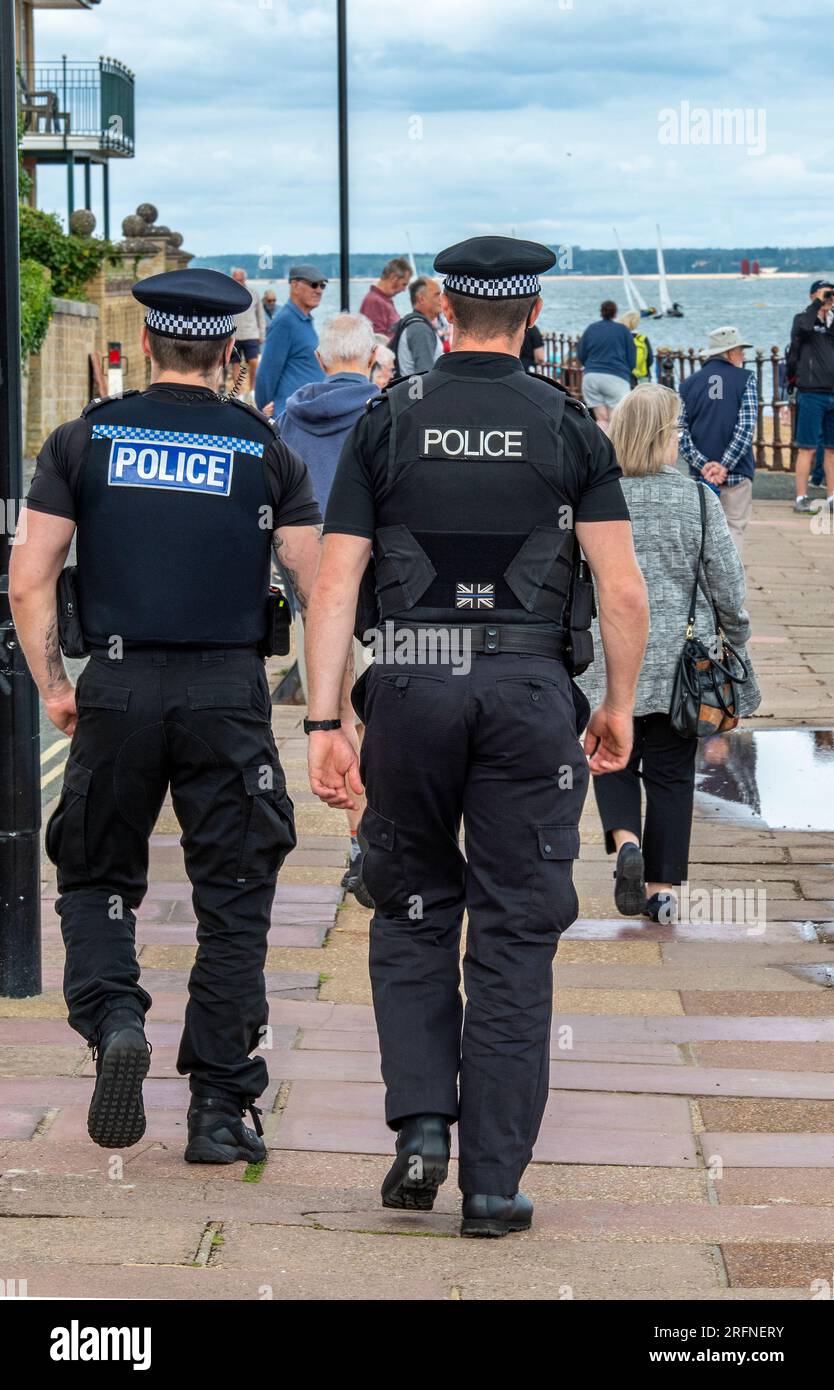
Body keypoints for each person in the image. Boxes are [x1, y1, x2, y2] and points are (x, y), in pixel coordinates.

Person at [303, 235, 649, 1238]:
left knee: (409, 907)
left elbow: (334, 585)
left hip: (409, 685)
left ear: (443, 310)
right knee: (513, 931)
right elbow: (621, 590)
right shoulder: (568, 425)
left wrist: (328, 721)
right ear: (533, 314)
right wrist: (617, 704)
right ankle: (492, 1184)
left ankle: (419, 1128)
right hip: (529, 692)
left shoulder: (388, 419)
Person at [9, 268, 332, 1165]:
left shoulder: (84, 441)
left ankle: (115, 1014)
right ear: (231, 352)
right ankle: (220, 1107)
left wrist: (54, 686)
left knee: (94, 871)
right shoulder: (267, 452)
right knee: (234, 895)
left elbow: (29, 577)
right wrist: (331, 717)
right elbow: (315, 590)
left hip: (116, 687)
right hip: (229, 694)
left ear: (148, 344)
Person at [577, 385, 760, 924]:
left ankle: (626, 840)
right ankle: (660, 890)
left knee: (610, 753)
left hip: (610, 654)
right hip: (683, 663)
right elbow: (726, 582)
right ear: (664, 436)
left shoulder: (594, 495)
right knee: (672, 774)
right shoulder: (697, 498)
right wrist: (738, 635)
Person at [277, 312, 379, 907]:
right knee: (380, 712)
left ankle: (359, 843)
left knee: (336, 716)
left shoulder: (290, 417)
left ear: (320, 360)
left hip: (312, 593)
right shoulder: (388, 411)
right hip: (375, 589)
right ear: (370, 358)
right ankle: (384, 836)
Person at [678, 326, 757, 555]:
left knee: (702, 532)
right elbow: (745, 428)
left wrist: (703, 464)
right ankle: (730, 586)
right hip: (737, 471)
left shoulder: (688, 384)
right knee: (734, 528)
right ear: (730, 353)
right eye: (741, 351)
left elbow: (681, 431)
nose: (742, 356)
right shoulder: (746, 379)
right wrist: (724, 465)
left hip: (700, 475)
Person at [255, 263, 327, 417]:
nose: (319, 290)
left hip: (305, 412)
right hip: (290, 416)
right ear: (295, 286)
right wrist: (266, 412)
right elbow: (267, 372)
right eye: (314, 285)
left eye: (322, 286)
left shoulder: (303, 319)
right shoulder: (285, 321)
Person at [788, 280, 834, 512]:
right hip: (811, 392)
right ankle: (800, 497)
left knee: (832, 449)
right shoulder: (803, 319)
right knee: (807, 447)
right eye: (823, 294)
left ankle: (832, 497)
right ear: (811, 296)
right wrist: (817, 304)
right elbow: (803, 329)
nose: (827, 298)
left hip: (832, 393)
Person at [577, 300, 636, 431]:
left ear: (601, 312)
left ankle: (600, 450)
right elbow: (632, 358)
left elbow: (581, 353)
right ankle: (615, 450)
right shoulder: (623, 330)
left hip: (591, 377)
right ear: (615, 313)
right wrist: (627, 371)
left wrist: (590, 366)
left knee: (601, 419)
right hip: (616, 377)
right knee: (616, 421)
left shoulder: (591, 328)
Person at [388, 275, 443, 376]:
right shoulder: (420, 330)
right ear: (421, 299)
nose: (441, 299)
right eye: (436, 295)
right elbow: (425, 376)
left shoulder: (410, 323)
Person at [229, 267, 266, 399]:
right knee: (235, 364)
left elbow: (260, 315)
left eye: (241, 279)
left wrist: (262, 334)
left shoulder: (254, 294)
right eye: (236, 280)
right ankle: (238, 392)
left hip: (251, 334)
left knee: (254, 362)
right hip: (234, 335)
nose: (239, 282)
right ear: (232, 279)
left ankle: (252, 389)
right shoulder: (228, 294)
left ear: (244, 279)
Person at [359, 257, 412, 337]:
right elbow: (377, 339)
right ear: (394, 278)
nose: (404, 290)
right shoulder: (374, 302)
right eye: (404, 284)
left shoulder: (383, 300)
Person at [620, 309, 653, 387]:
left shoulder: (621, 338)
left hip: (626, 376)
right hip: (643, 375)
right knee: (643, 397)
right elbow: (650, 360)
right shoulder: (642, 338)